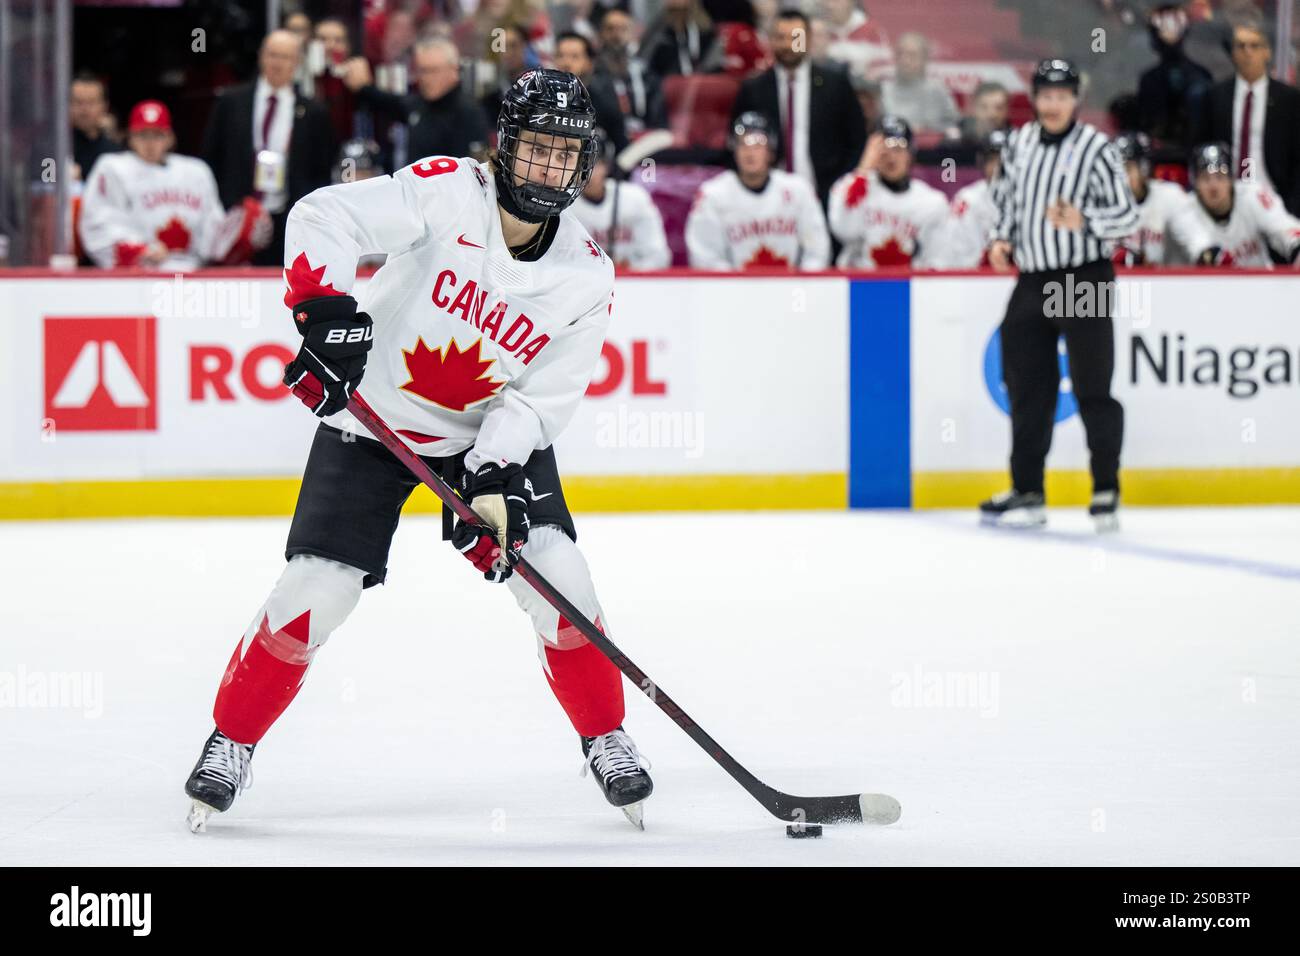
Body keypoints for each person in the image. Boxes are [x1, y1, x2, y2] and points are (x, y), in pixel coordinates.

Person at [182, 69, 654, 833]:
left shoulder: (588, 273)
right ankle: (229, 741)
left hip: (484, 441)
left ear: (583, 163)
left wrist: (496, 475)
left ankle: (605, 734)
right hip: (374, 426)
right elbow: (325, 214)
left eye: (563, 155)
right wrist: (325, 307)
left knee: (561, 585)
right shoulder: (445, 191)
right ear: (504, 147)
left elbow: (539, 399)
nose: (546, 169)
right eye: (534, 150)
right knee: (314, 593)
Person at [981, 59, 1138, 532]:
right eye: (1045, 96)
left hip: (1081, 278)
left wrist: (1085, 221)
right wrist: (1000, 239)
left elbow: (1128, 217)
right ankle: (1028, 490)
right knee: (1027, 389)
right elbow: (1005, 201)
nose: (1052, 105)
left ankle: (1105, 489)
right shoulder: (1019, 142)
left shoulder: (1095, 148)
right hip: (1032, 279)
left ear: (1075, 100)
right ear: (1034, 98)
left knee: (1092, 387)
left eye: (1061, 96)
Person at [80, 100, 270, 269]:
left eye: (157, 135)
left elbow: (212, 226)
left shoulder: (196, 171)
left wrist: (232, 242)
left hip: (194, 274)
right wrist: (138, 249)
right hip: (138, 275)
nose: (150, 143)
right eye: (143, 135)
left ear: (170, 138)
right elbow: (98, 222)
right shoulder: (112, 168)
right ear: (130, 137)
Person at [202, 29, 336, 265]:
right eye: (273, 55)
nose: (277, 63)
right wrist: (224, 205)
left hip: (288, 219)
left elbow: (321, 168)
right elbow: (212, 156)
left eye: (285, 57)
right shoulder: (231, 102)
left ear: (297, 62)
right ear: (261, 56)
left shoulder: (314, 112)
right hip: (237, 215)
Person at [730, 8, 866, 210]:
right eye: (781, 37)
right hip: (767, 203)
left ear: (809, 40)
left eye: (796, 38)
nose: (788, 45)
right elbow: (735, 142)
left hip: (826, 198)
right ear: (770, 40)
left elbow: (857, 142)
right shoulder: (754, 89)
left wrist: (839, 189)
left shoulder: (835, 85)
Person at [685, 111, 830, 270]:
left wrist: (802, 286)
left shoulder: (798, 191)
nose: (750, 152)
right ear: (734, 151)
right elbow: (705, 257)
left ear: (770, 150)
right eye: (742, 144)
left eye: (757, 144)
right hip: (733, 292)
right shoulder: (712, 195)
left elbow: (817, 251)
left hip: (790, 290)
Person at [1192, 21, 1300, 216]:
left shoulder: (1289, 100)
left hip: (1275, 199)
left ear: (1267, 52)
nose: (1247, 52)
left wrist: (1292, 209)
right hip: (1227, 199)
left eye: (1254, 45)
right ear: (1232, 53)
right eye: (1241, 46)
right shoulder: (1216, 96)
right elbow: (1202, 145)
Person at [826, 114, 949, 269]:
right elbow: (844, 230)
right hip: (859, 283)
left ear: (910, 154)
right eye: (883, 150)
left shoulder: (931, 202)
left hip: (910, 287)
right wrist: (863, 170)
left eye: (898, 149)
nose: (891, 157)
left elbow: (938, 260)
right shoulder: (849, 187)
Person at [343, 38, 490, 164]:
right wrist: (363, 88)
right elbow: (389, 102)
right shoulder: (419, 105)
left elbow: (471, 172)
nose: (425, 78)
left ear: (454, 70)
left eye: (432, 70)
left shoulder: (469, 112)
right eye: (421, 71)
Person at [1171, 141, 1300, 268]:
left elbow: (1282, 226)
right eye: (1205, 178)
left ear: (1231, 179)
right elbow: (1204, 251)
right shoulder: (1185, 210)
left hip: (1263, 283)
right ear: (1195, 184)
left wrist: (1296, 246)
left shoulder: (1252, 194)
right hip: (1214, 286)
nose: (1213, 186)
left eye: (1220, 177)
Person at [572, 133, 672, 270]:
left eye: (594, 165)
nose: (587, 174)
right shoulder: (563, 207)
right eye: (580, 165)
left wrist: (631, 268)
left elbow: (658, 256)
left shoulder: (635, 198)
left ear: (606, 167)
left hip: (635, 283)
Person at [1111, 131, 1209, 265]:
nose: (1121, 178)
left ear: (1143, 169)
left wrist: (1206, 252)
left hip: (1166, 282)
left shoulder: (1169, 196)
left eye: (1127, 168)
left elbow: (1195, 236)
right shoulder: (1100, 203)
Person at [553, 32, 629, 155]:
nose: (566, 63)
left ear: (589, 63)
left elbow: (621, 144)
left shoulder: (604, 101)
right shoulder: (543, 99)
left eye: (574, 57)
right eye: (560, 56)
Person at [879, 31, 959, 137]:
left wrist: (928, 130)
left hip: (931, 150)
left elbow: (953, 125)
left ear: (925, 59)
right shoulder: (882, 91)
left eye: (912, 55)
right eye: (900, 54)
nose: (905, 60)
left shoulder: (937, 91)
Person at [946, 128, 1007, 268]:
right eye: (992, 160)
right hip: (976, 279)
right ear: (981, 162)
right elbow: (957, 255)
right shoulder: (968, 199)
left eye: (1005, 159)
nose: (999, 167)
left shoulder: (1029, 199)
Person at [69, 73, 119, 181]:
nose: (84, 110)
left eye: (91, 102)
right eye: (78, 102)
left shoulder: (116, 153)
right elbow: (45, 183)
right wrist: (58, 179)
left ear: (104, 106)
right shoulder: (52, 149)